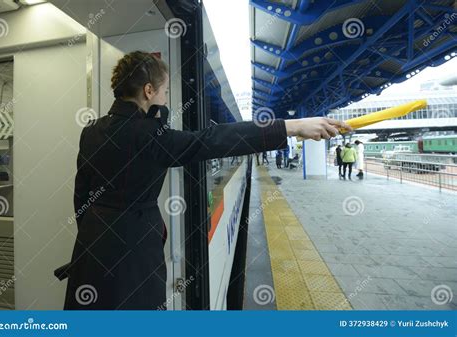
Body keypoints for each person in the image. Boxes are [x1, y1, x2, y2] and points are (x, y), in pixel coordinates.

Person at [58, 51, 351, 310]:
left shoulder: (92, 131)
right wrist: (293, 126)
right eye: (163, 91)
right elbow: (215, 140)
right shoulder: (151, 136)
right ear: (148, 90)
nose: (165, 98)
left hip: (91, 246)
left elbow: (81, 195)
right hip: (133, 255)